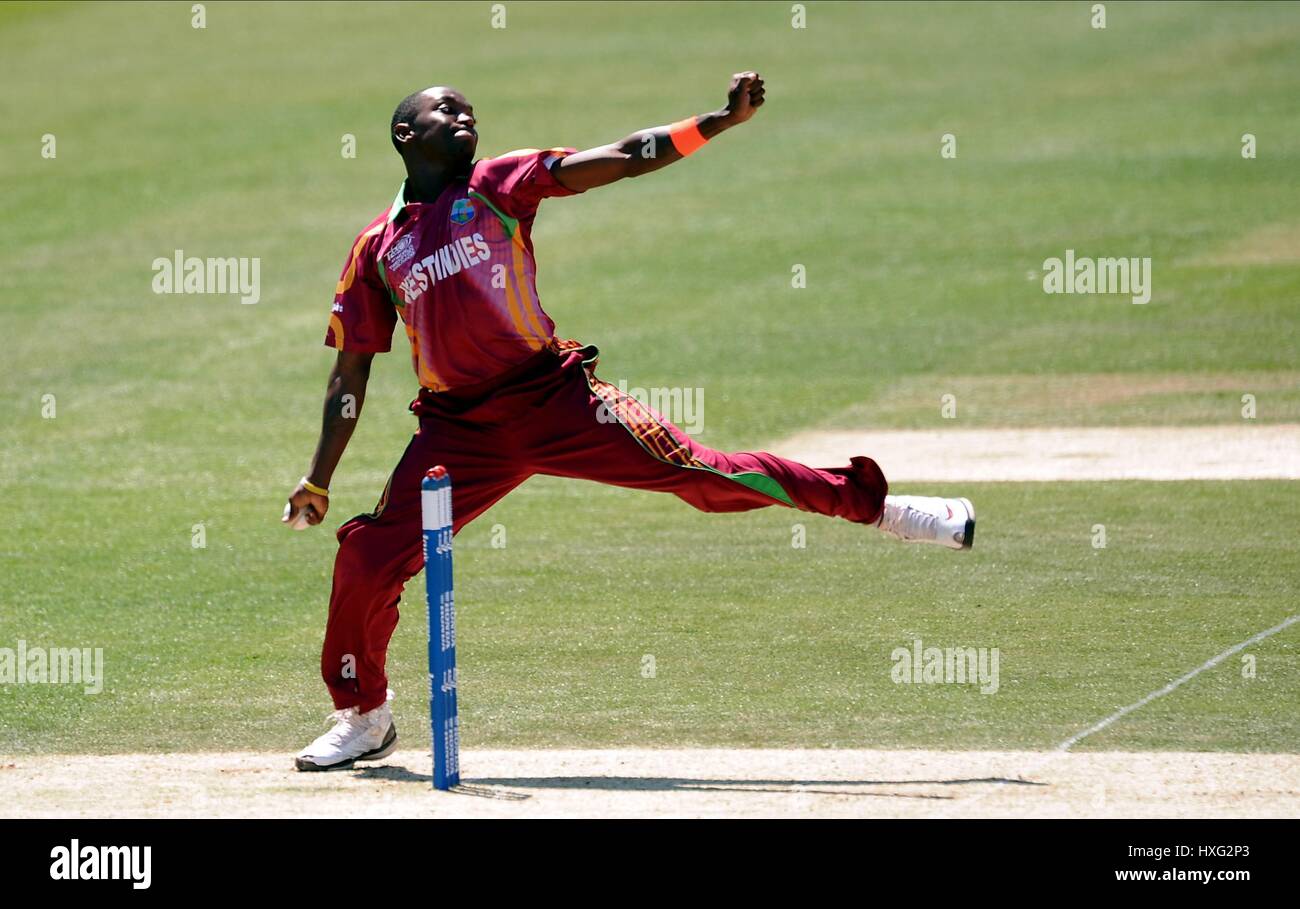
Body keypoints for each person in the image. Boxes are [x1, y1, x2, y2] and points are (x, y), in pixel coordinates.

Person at [284, 73, 975, 771]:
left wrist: (714, 122)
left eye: (470, 110)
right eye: (446, 110)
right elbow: (352, 371)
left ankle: (880, 507)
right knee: (367, 557)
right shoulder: (378, 246)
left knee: (701, 473)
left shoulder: (497, 186)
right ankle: (364, 715)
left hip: (553, 397)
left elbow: (621, 155)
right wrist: (318, 477)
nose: (465, 116)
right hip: (457, 431)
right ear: (407, 134)